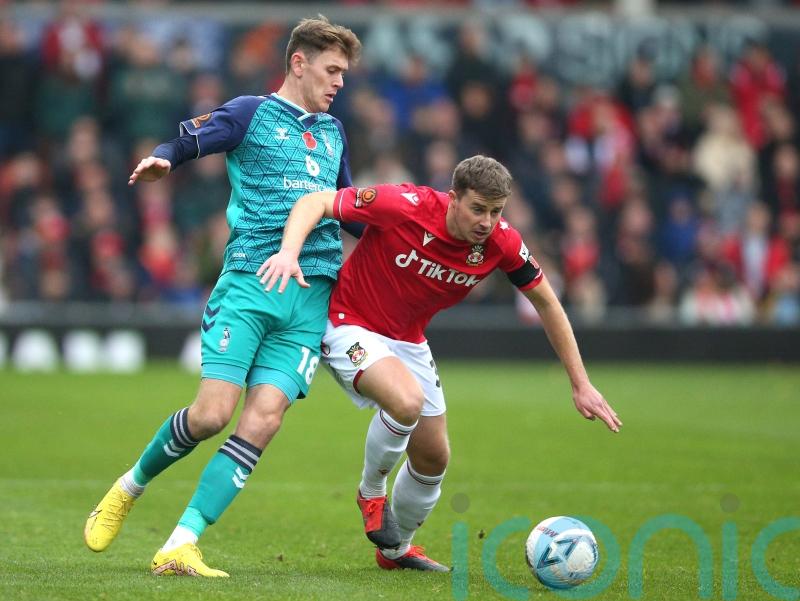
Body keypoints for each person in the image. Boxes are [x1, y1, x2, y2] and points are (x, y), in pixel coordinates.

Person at [83, 16, 362, 577]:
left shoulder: (333, 133)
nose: (339, 83)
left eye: (345, 74)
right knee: (212, 415)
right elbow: (191, 136)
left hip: (311, 299)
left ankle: (181, 543)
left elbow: (351, 206)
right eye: (332, 70)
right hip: (251, 283)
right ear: (298, 62)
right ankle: (128, 486)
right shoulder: (250, 112)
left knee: (263, 420)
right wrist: (165, 157)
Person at [258, 155, 622, 572]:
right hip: (347, 322)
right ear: (453, 199)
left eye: (496, 211)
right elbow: (316, 202)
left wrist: (580, 383)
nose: (487, 221)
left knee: (433, 457)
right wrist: (289, 252)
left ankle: (396, 551)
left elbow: (546, 302)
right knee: (406, 402)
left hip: (408, 340)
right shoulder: (403, 205)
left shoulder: (501, 242)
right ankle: (371, 492)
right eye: (478, 209)